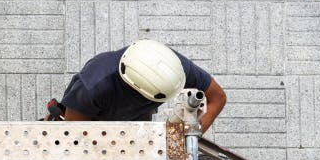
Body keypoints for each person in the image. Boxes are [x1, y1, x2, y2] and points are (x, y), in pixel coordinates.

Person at [48, 39, 226, 132]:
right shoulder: (93, 85)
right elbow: (75, 135)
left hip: (134, 125)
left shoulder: (173, 69)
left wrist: (193, 136)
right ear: (133, 88)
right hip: (90, 123)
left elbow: (217, 98)